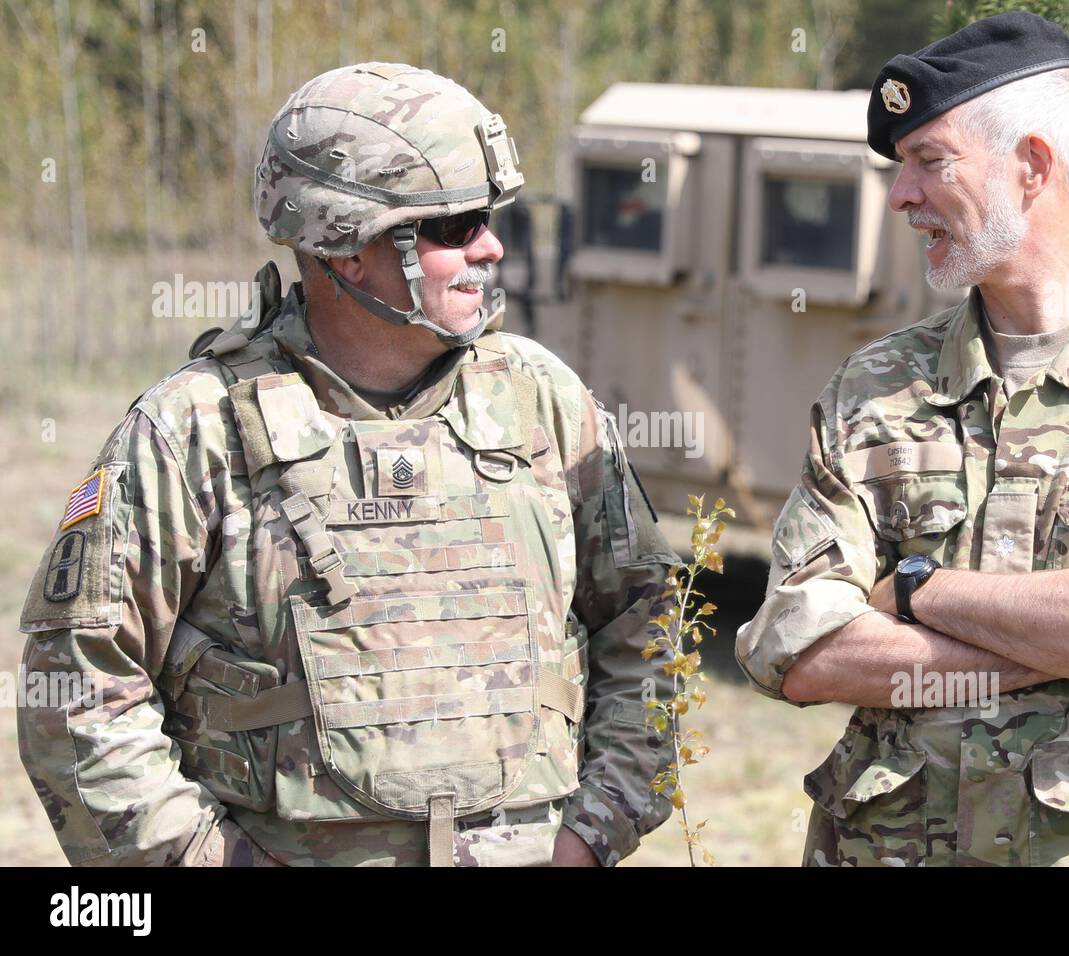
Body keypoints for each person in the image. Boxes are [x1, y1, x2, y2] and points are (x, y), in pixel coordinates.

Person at [18, 62, 677, 867]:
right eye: (453, 226)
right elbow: (76, 690)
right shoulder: (196, 429)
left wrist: (591, 832)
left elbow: (644, 625)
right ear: (347, 248)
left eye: (489, 218)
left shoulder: (545, 404)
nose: (490, 246)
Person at [735, 12, 1069, 866]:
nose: (901, 195)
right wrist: (1058, 650)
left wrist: (914, 590)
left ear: (1032, 166)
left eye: (930, 161)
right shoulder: (876, 387)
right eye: (900, 165)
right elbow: (797, 649)